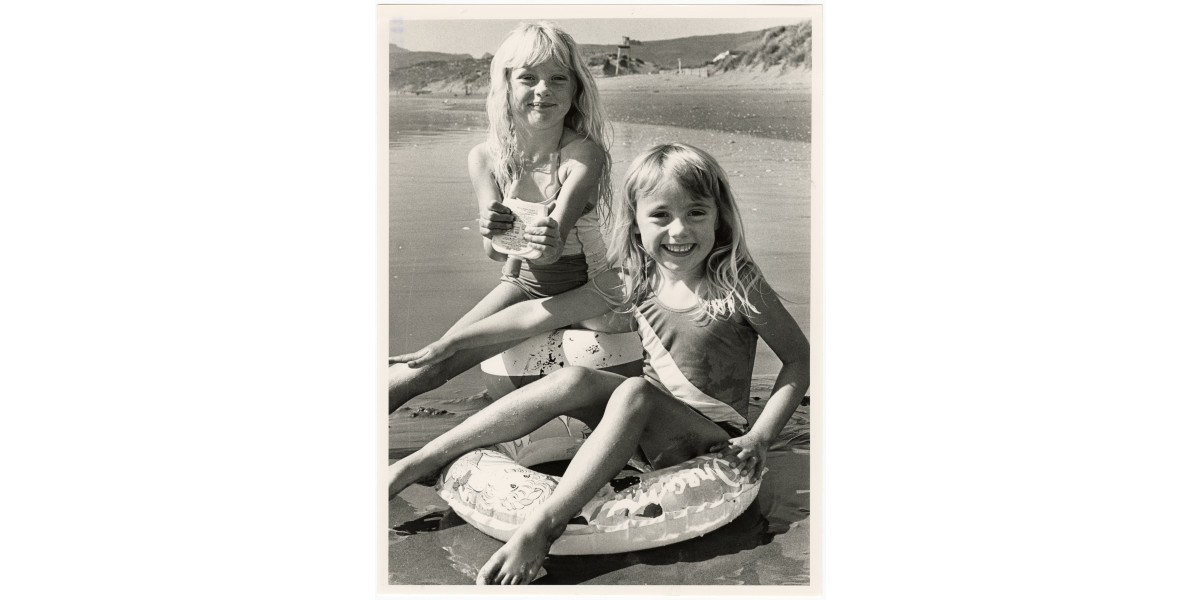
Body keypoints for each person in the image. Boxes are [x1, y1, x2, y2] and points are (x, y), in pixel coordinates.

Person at [390, 143, 810, 585]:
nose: (679, 230)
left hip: (708, 441)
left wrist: (761, 437)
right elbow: (537, 313)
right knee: (575, 378)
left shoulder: (736, 281)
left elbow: (799, 360)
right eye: (661, 215)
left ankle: (542, 527)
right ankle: (418, 462)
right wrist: (451, 340)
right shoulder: (636, 278)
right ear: (636, 223)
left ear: (720, 216)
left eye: (697, 213)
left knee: (634, 390)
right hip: (642, 437)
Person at [389, 21, 614, 412]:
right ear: (506, 85)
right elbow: (496, 253)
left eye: (558, 78)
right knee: (428, 364)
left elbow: (550, 250)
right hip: (522, 283)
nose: (543, 90)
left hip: (585, 289)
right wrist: (493, 231)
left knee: (442, 357)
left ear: (576, 89)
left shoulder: (582, 156)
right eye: (528, 78)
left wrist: (546, 240)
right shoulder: (485, 158)